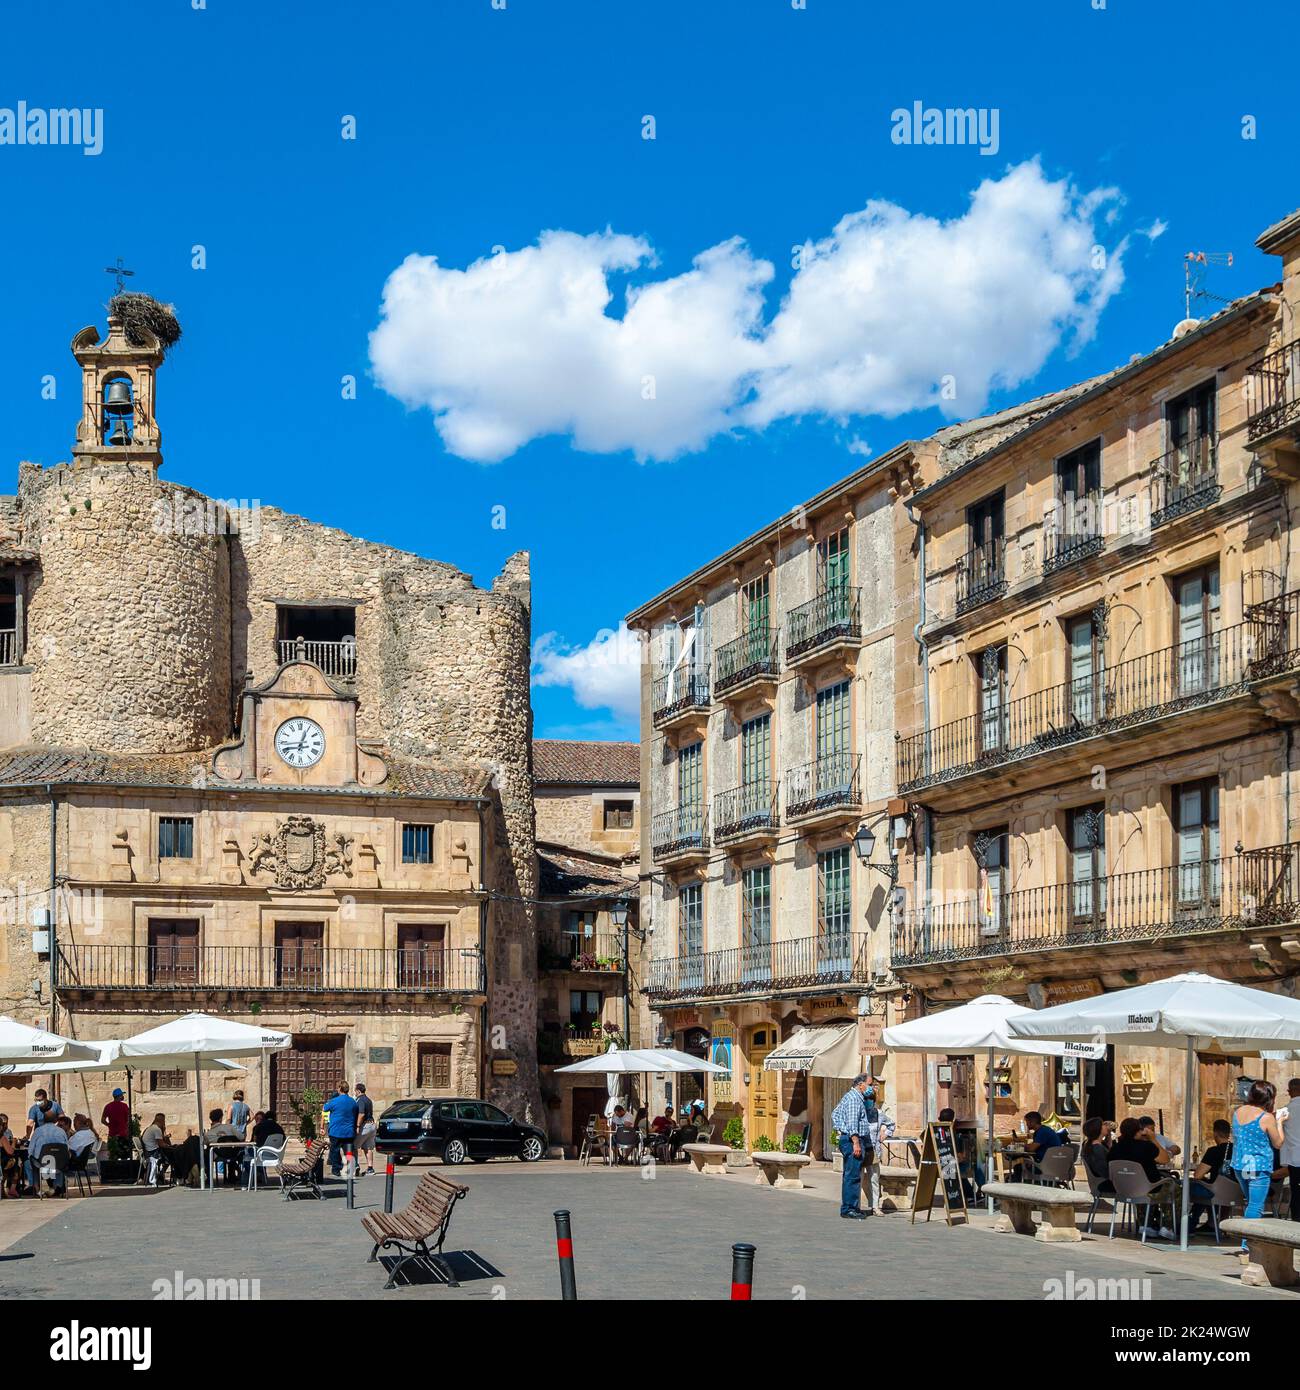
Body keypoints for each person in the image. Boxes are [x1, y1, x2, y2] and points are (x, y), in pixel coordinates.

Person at [1231, 1081, 1285, 1239]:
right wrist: (1280, 1123)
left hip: (1240, 1165)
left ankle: (1246, 1242)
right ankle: (1248, 1245)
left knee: (1250, 1202)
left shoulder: (1238, 1111)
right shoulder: (1266, 1117)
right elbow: (1278, 1143)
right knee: (1256, 1206)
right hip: (1257, 1167)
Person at [1110, 1115, 1176, 1238]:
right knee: (1173, 1185)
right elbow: (1165, 1159)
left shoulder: (1115, 1148)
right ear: (1138, 1131)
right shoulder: (1146, 1147)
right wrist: (1153, 1139)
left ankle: (1146, 1224)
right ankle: (1167, 1226)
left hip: (1123, 1189)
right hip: (1147, 1189)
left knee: (1141, 1185)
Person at [831, 1073, 875, 1220]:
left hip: (850, 1139)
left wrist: (840, 1128)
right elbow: (852, 1123)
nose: (871, 1088)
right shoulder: (854, 1099)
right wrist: (855, 1142)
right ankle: (849, 1208)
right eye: (869, 1084)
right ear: (860, 1084)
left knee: (851, 1175)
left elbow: (835, 1114)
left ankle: (851, 1207)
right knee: (853, 1176)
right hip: (852, 1141)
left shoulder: (852, 1097)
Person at [1187, 1119, 1233, 1233]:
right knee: (1209, 1185)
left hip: (1216, 1192)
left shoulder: (1214, 1151)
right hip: (1236, 1192)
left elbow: (1198, 1175)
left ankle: (1191, 1222)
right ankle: (1215, 1223)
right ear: (1228, 1134)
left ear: (1215, 1133)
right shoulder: (1239, 1150)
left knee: (1192, 1185)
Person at [26, 1104, 69, 1195]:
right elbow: (66, 1147)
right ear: (55, 1120)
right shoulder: (61, 1131)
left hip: (42, 1162)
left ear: (43, 1120)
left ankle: (36, 1189)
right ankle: (57, 1186)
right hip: (59, 1163)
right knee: (58, 1163)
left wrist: (31, 1156)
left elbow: (31, 1149)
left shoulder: (38, 1131)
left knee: (28, 1163)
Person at [321, 1082, 360, 1177]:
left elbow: (325, 1109)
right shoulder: (353, 1101)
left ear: (339, 1088)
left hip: (336, 1131)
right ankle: (352, 1167)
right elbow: (356, 1113)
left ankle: (336, 1169)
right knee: (349, 1151)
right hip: (349, 1131)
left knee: (335, 1151)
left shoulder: (335, 1101)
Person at [1279, 1077, 1300, 1224]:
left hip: (1295, 1157)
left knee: (1296, 1191)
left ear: (1291, 1091)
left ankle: (1297, 1218)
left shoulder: (1284, 1111)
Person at [1081, 1116, 1115, 1195]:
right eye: (1103, 1124)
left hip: (1099, 1182)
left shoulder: (1088, 1144)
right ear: (1098, 1129)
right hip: (1102, 1184)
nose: (1106, 1126)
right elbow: (1105, 1172)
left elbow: (1108, 1148)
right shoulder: (1097, 1149)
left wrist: (1109, 1133)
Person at [354, 1083, 376, 1175]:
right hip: (372, 1125)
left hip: (365, 1126)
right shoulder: (368, 1100)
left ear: (358, 1091)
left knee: (353, 1146)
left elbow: (361, 1113)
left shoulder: (360, 1100)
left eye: (355, 1091)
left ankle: (355, 1166)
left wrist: (358, 1126)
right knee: (368, 1147)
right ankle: (370, 1168)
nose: (354, 1092)